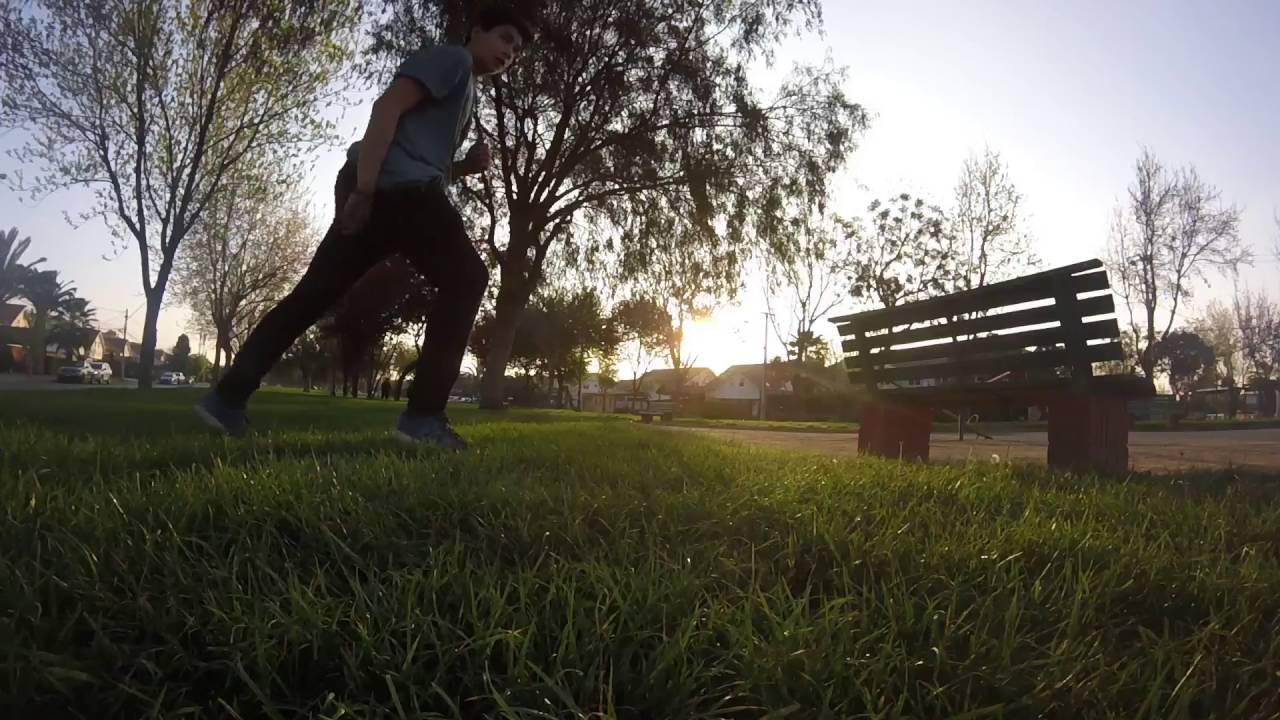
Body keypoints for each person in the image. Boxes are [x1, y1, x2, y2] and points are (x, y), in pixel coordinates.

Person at [195, 3, 536, 449]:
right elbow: (386, 108)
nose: (511, 53)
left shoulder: (465, 87)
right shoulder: (453, 60)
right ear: (476, 32)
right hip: (393, 193)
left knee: (313, 295)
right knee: (467, 278)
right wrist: (364, 190)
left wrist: (464, 168)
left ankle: (226, 398)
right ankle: (422, 416)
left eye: (519, 51)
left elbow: (415, 155)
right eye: (506, 39)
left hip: (391, 189)